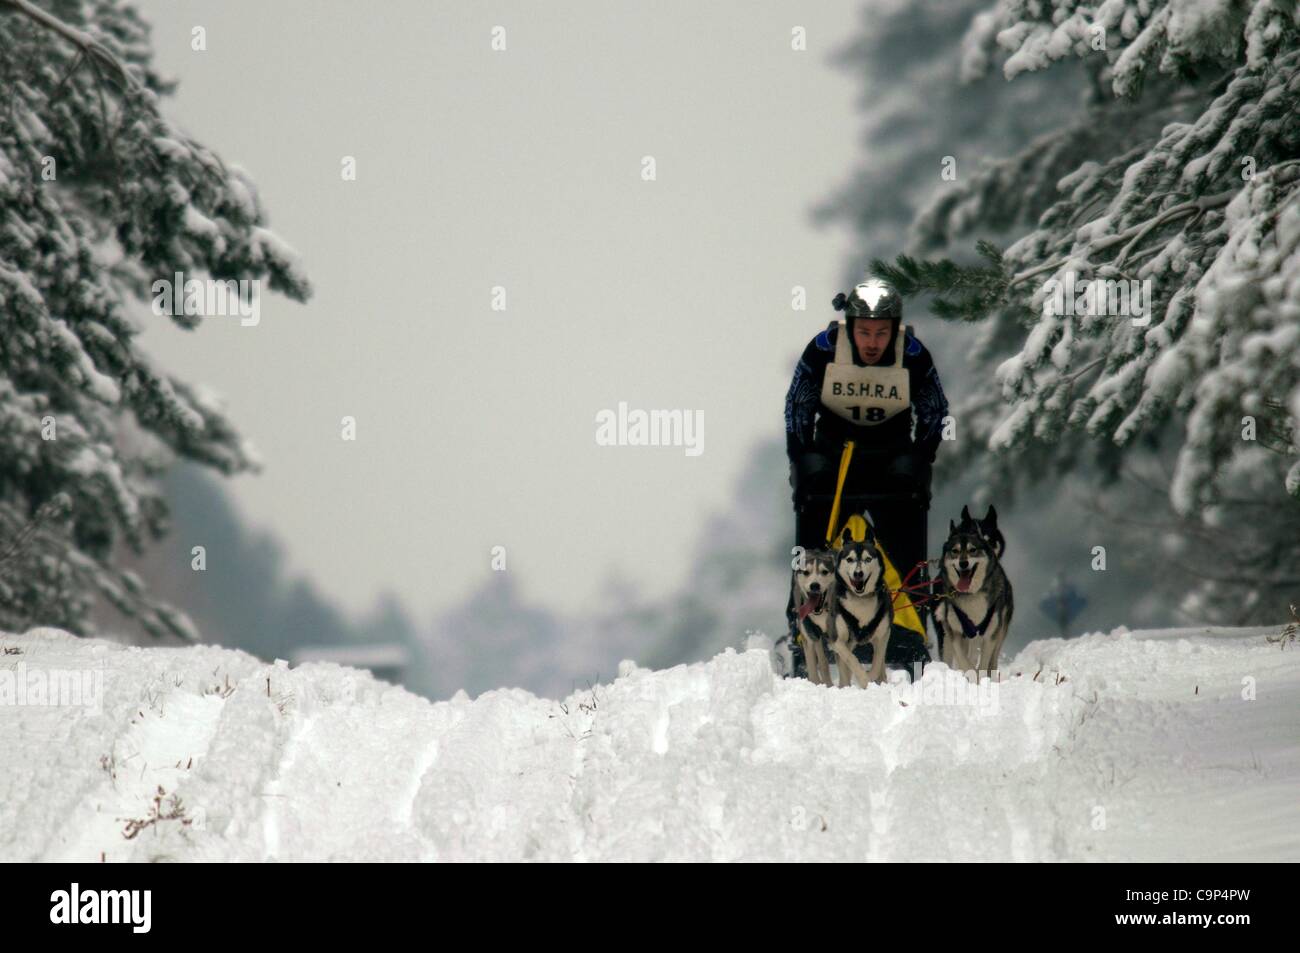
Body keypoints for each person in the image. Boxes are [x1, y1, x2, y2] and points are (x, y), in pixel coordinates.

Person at [783, 275, 949, 677]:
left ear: (894, 330)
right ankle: (805, 630)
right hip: (833, 461)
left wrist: (921, 457)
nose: (872, 342)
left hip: (891, 459)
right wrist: (801, 459)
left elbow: (935, 410)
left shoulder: (912, 354)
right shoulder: (823, 350)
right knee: (815, 549)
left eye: (880, 333)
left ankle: (909, 627)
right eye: (864, 333)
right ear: (850, 328)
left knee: (904, 546)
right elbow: (796, 407)